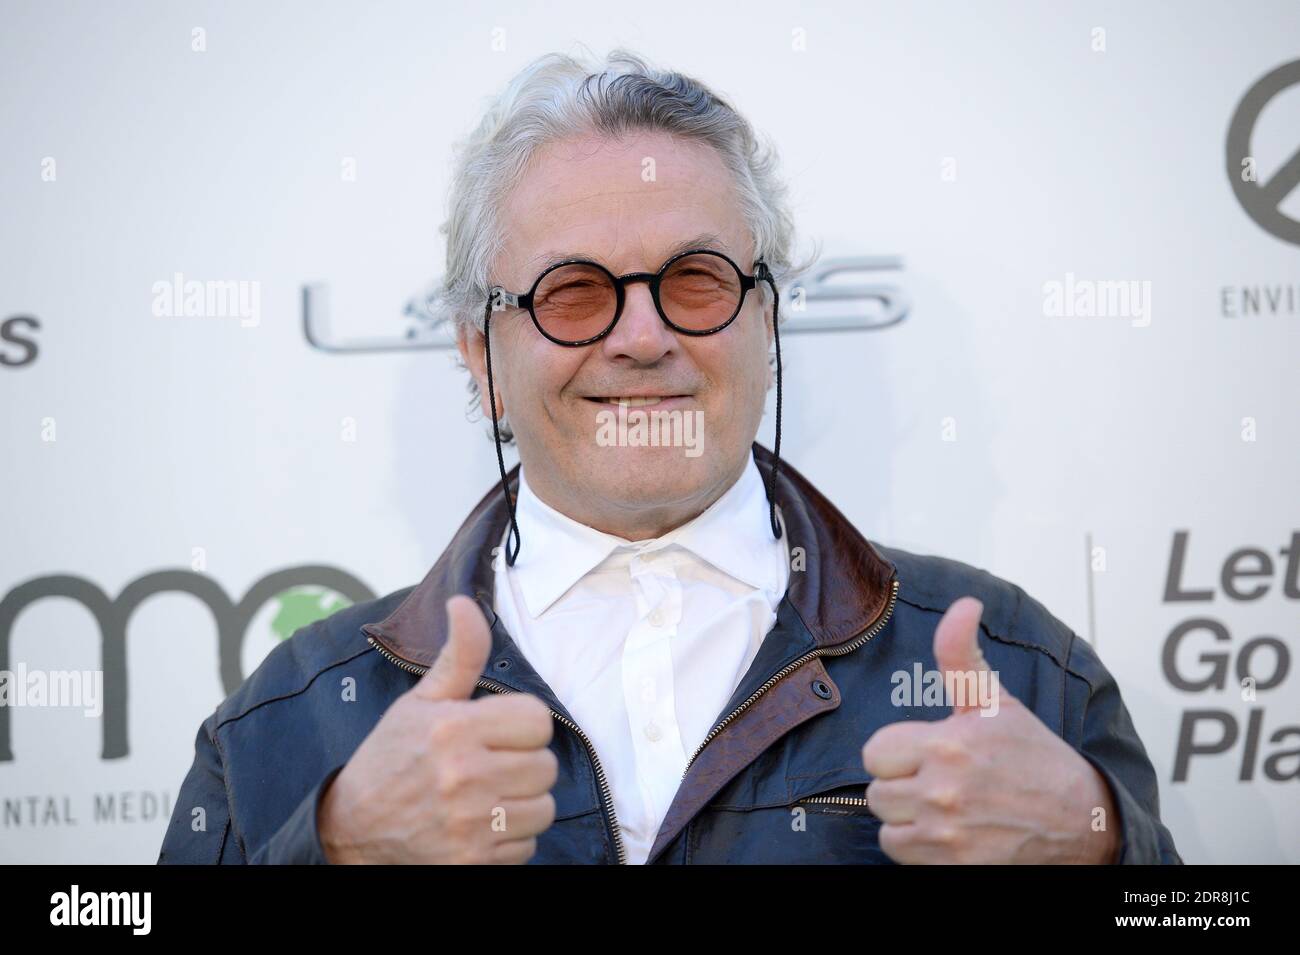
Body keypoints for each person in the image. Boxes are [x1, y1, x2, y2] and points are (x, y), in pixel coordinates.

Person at [158, 48, 1180, 865]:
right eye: (572, 292)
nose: (643, 337)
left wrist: (1099, 845)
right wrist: (330, 852)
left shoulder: (1013, 669)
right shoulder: (289, 722)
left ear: (765, 322)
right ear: (481, 355)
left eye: (694, 281)